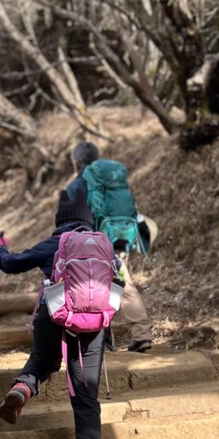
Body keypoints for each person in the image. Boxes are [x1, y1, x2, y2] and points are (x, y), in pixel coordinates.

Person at [0, 192, 120, 439]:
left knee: (43, 360)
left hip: (54, 314)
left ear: (60, 219)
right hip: (93, 325)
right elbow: (119, 280)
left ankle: (23, 388)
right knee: (85, 393)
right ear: (89, 219)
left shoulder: (56, 243)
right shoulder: (102, 245)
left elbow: (10, 264)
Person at [66, 141, 153, 353]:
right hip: (118, 239)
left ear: (75, 162)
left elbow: (72, 219)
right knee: (121, 284)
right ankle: (138, 334)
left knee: (97, 288)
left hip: (93, 243)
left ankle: (107, 337)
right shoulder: (111, 179)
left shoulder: (79, 184)